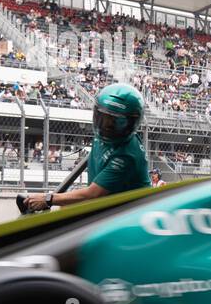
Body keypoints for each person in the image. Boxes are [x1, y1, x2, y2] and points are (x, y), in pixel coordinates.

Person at [21, 83, 148, 211]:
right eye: (103, 118)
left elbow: (93, 194)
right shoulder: (103, 136)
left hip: (129, 214)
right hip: (109, 207)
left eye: (115, 123)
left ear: (132, 124)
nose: (106, 126)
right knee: (64, 208)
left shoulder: (127, 155)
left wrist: (48, 199)